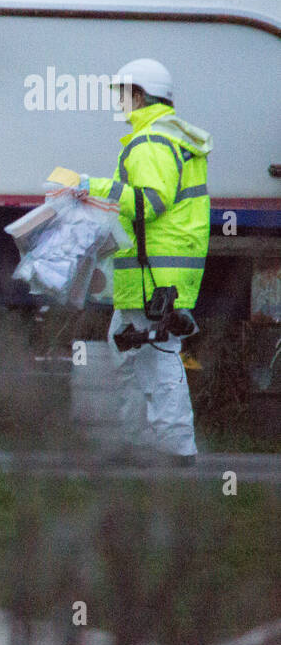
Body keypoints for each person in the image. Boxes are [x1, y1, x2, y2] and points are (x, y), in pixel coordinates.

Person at [70, 59, 212, 466]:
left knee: (157, 359)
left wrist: (91, 187)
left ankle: (175, 447)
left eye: (123, 93)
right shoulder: (167, 137)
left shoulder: (150, 141)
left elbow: (149, 203)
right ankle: (137, 442)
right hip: (157, 273)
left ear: (139, 94)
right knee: (127, 352)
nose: (120, 101)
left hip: (155, 277)